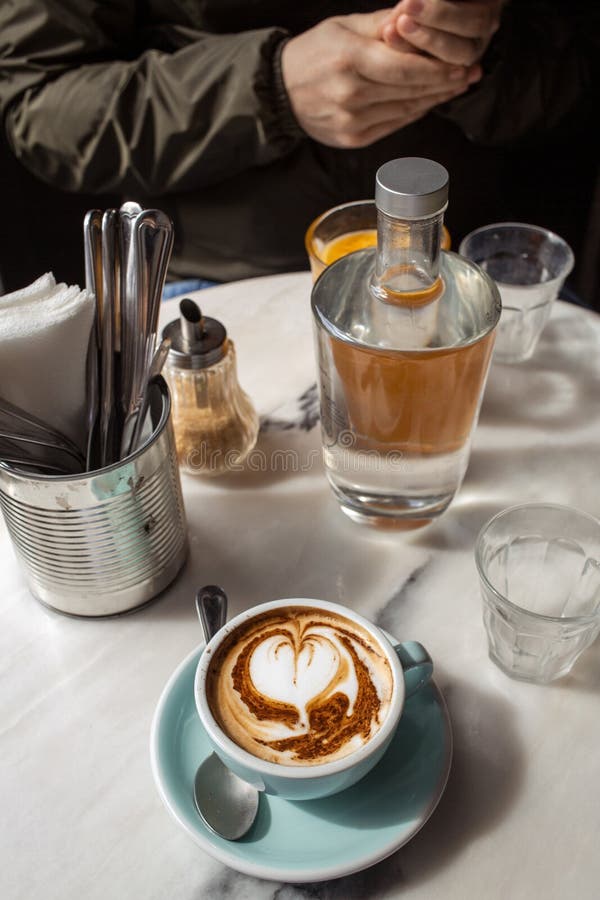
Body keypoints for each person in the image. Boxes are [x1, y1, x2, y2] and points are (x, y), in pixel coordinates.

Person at [0, 1, 597, 303]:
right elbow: (42, 106)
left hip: (479, 271)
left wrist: (479, 53)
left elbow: (571, 81)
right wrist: (270, 89)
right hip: (220, 285)